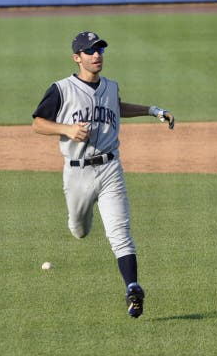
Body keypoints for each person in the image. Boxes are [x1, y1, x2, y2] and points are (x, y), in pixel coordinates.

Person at [31, 31, 175, 319]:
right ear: (77, 57)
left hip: (110, 169)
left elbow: (116, 108)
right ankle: (84, 219)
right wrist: (67, 130)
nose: (97, 55)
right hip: (76, 174)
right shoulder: (61, 89)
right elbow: (38, 123)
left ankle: (133, 289)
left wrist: (152, 110)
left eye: (100, 50)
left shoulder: (110, 86)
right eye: (90, 51)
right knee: (79, 229)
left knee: (121, 234)